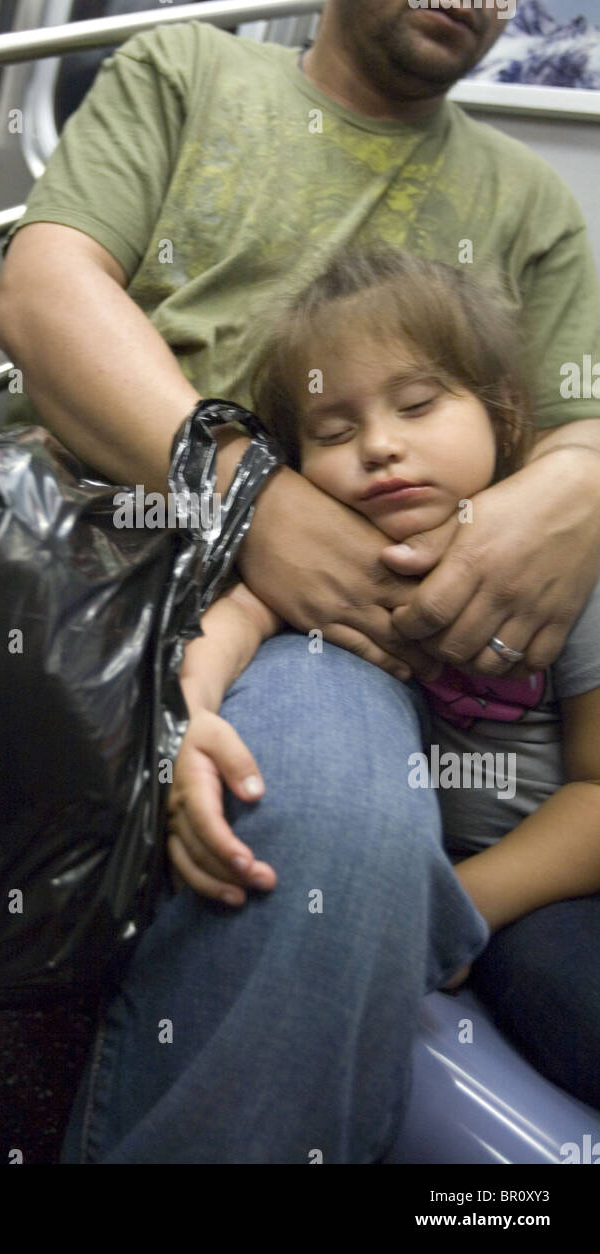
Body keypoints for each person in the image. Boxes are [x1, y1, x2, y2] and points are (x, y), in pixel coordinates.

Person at [0, 0, 600, 1162]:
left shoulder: (529, 212)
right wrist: (247, 492)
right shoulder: (184, 70)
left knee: (340, 847)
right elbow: (41, 297)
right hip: (67, 529)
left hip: (325, 634)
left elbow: (577, 427)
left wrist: (577, 478)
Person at [166, 245, 600, 1110]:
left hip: (548, 875)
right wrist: (184, 720)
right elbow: (222, 629)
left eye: (418, 404)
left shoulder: (564, 576)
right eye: (333, 432)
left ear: (502, 418)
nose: (381, 447)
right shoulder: (328, 569)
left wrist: (455, 905)